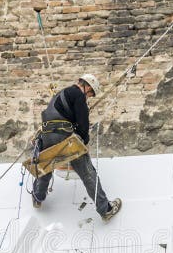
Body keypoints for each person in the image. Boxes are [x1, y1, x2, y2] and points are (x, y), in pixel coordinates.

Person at [31, 74, 122, 221]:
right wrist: (84, 140)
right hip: (64, 136)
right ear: (87, 87)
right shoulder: (79, 95)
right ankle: (106, 209)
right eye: (91, 93)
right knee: (88, 173)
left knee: (46, 167)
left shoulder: (60, 94)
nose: (90, 96)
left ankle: (37, 197)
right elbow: (83, 125)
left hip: (45, 136)